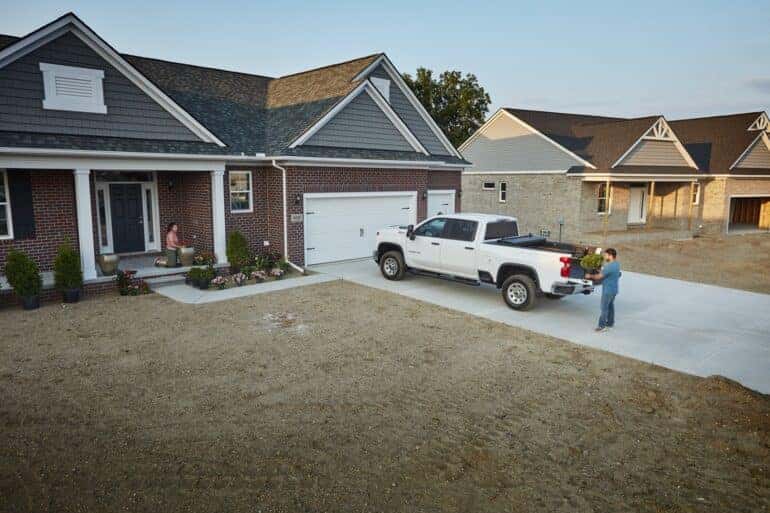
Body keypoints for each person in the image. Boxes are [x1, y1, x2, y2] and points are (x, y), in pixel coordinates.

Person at [585, 248, 621, 332]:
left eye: (606, 255)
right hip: (614, 290)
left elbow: (599, 277)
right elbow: (611, 273)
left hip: (608, 290)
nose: (604, 257)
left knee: (604, 308)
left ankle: (601, 326)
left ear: (610, 255)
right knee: (610, 306)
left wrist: (589, 276)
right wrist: (600, 270)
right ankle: (610, 323)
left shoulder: (609, 266)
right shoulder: (616, 264)